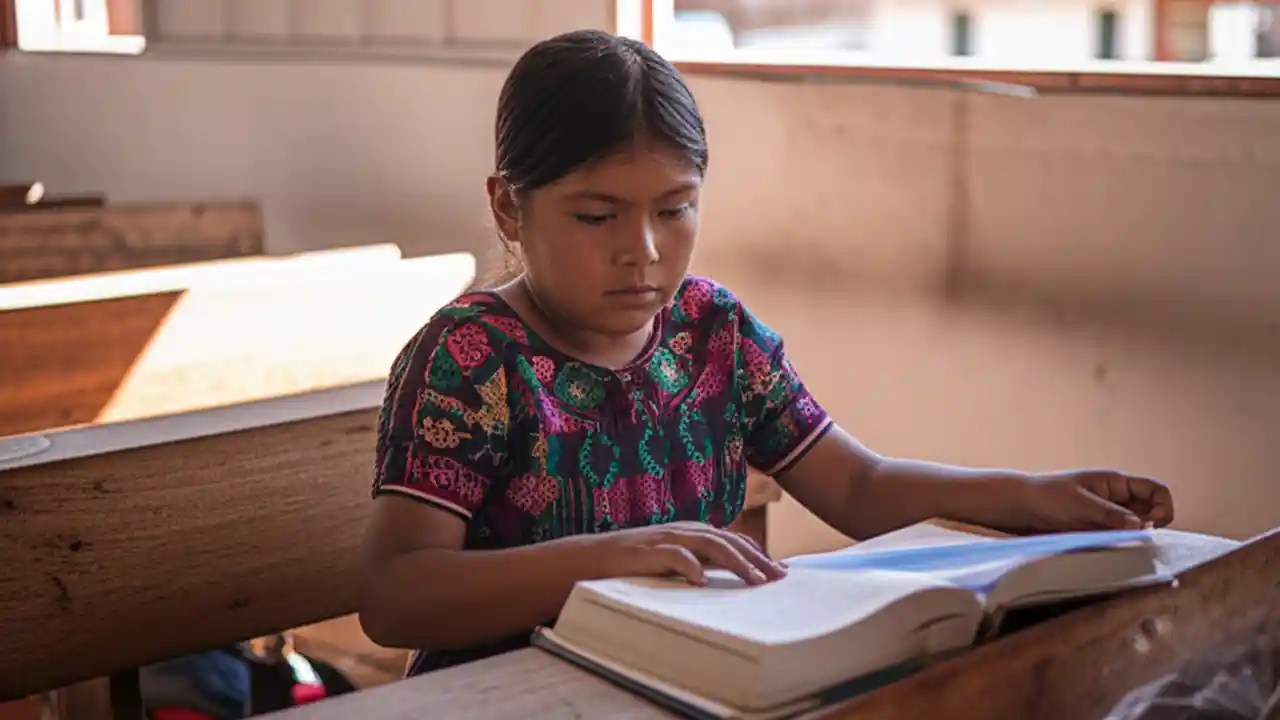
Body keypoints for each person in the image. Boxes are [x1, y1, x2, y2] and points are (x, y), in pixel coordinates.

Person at [357, 29, 1174, 676]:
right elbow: (397, 598)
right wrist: (610, 559)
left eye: (674, 209)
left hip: (684, 683)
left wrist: (1031, 499)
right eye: (596, 217)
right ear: (508, 207)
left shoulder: (713, 333)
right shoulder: (470, 358)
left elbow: (857, 485)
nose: (642, 250)